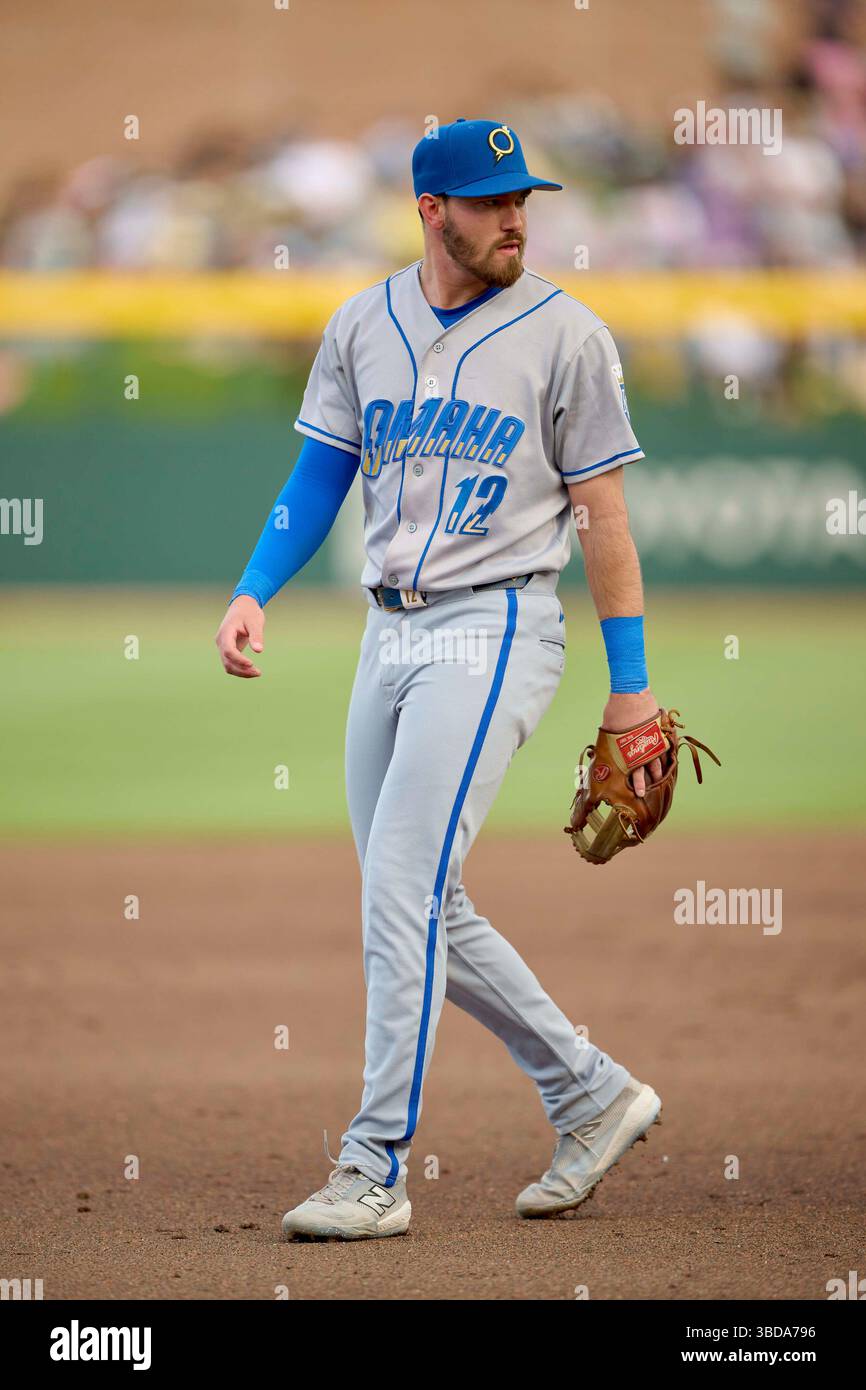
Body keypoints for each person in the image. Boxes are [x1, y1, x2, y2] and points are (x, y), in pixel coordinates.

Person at [215, 118, 662, 1240]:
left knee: (400, 891)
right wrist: (254, 585)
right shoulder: (361, 322)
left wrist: (632, 688)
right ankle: (589, 1090)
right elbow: (321, 469)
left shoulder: (566, 333)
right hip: (389, 635)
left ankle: (371, 1167)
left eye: (523, 198)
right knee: (415, 898)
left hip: (499, 623)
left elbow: (603, 517)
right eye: (489, 199)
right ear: (430, 210)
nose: (514, 215)